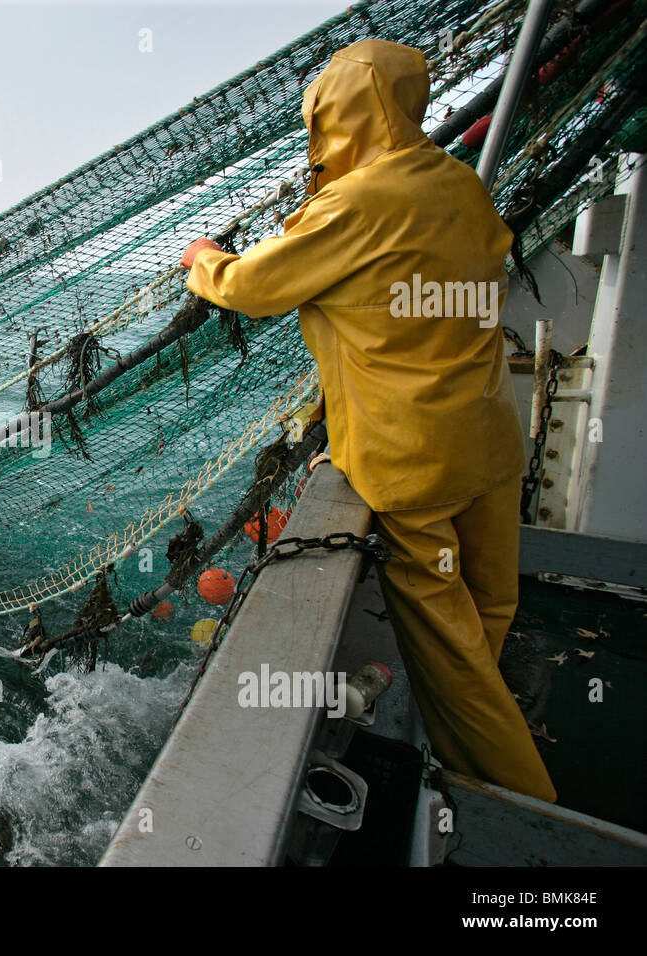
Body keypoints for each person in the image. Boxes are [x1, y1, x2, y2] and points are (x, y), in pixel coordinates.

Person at [179, 38, 556, 802]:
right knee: (490, 605)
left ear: (337, 118)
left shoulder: (353, 201)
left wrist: (202, 260)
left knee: (450, 655)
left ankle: (522, 810)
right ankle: (503, 729)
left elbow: (255, 285)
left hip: (410, 460)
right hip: (488, 440)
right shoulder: (456, 182)